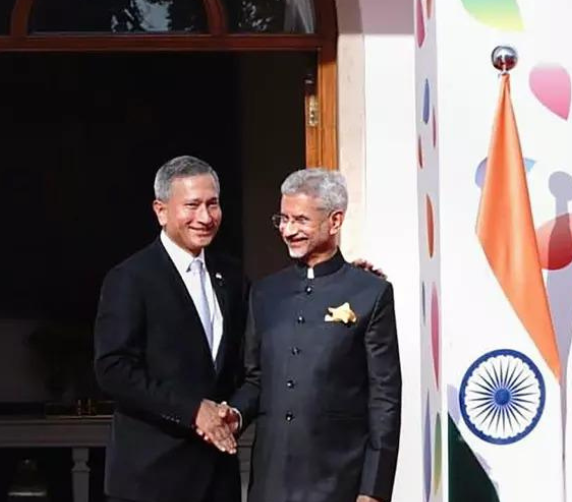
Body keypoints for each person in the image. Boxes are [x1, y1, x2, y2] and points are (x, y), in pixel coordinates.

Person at [228, 168, 400, 502]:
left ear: (335, 221)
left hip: (339, 482)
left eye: (301, 220)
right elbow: (255, 380)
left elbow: (385, 399)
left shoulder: (370, 293)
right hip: (271, 483)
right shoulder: (265, 293)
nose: (288, 230)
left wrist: (373, 490)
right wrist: (231, 414)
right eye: (283, 218)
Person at [94, 155, 248, 502]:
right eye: (192, 205)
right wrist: (194, 410)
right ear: (161, 210)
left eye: (213, 204)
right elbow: (112, 369)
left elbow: (247, 363)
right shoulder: (130, 278)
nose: (205, 217)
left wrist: (234, 413)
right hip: (151, 479)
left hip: (217, 478)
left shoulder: (232, 277)